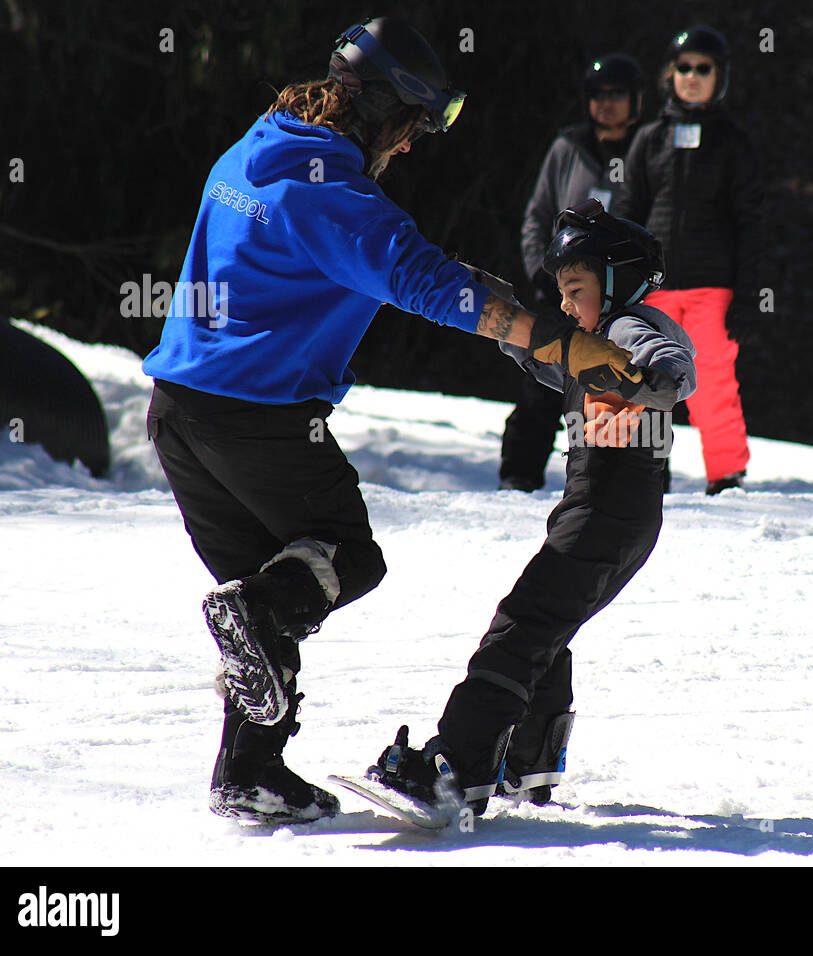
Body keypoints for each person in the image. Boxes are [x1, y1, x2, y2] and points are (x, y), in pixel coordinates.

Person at [142, 18, 646, 824]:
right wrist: (568, 346)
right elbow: (431, 283)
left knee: (264, 602)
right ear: (385, 110)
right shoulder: (334, 197)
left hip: (176, 415)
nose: (412, 147)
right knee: (344, 559)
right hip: (259, 419)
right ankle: (258, 647)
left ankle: (248, 769)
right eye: (417, 125)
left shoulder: (261, 142)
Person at [364, 200, 696, 812]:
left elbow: (672, 361)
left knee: (521, 627)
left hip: (604, 513)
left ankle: (455, 769)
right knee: (546, 628)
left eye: (576, 289)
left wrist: (644, 381)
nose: (567, 306)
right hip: (613, 518)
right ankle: (531, 763)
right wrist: (498, 309)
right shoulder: (589, 340)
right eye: (561, 293)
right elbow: (537, 348)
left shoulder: (625, 332)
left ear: (617, 282)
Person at [613, 26, 762, 495]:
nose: (692, 76)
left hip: (711, 286)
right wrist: (616, 280)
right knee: (642, 374)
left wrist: (751, 290)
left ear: (720, 76)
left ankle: (726, 476)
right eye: (684, 67)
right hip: (652, 288)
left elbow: (751, 221)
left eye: (703, 68)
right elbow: (627, 213)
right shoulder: (649, 139)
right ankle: (647, 469)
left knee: (713, 383)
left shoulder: (733, 142)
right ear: (670, 75)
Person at [500, 53, 645, 492]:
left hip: (624, 298)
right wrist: (544, 279)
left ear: (636, 100)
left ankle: (646, 485)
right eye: (598, 96)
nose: (606, 104)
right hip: (564, 292)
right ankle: (517, 478)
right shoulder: (569, 148)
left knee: (632, 385)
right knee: (541, 385)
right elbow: (536, 217)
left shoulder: (648, 148)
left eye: (616, 95)